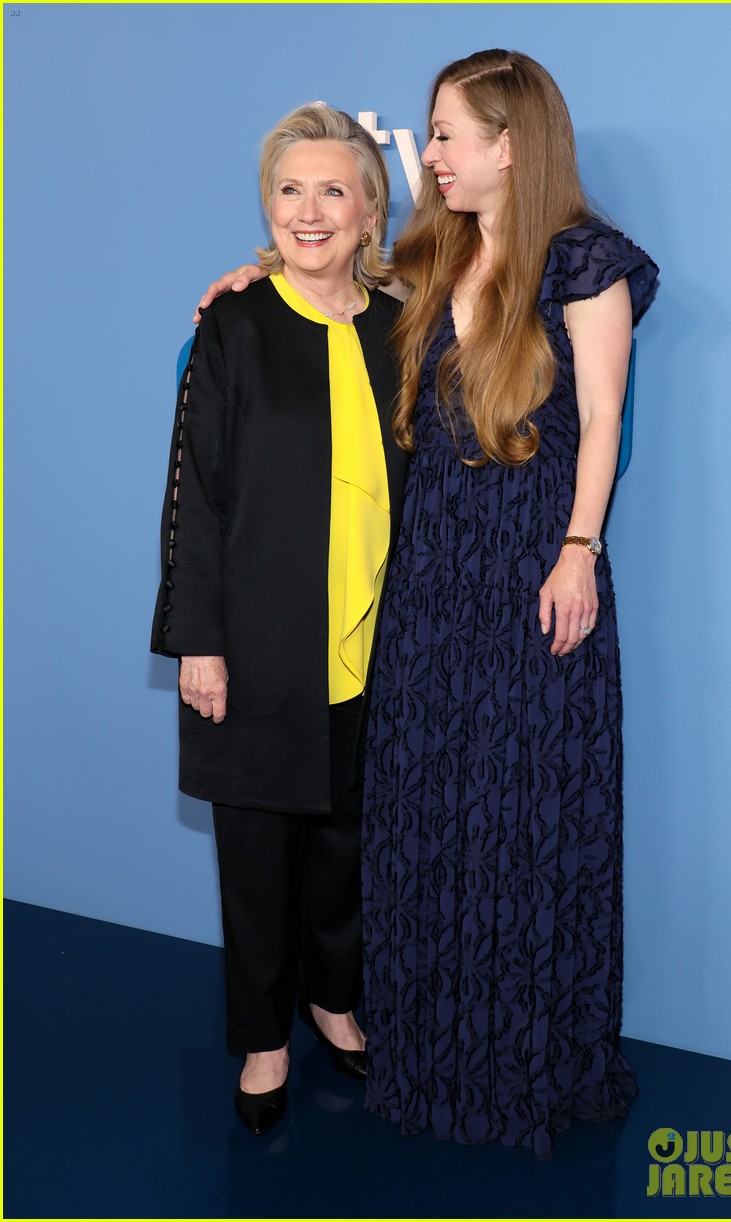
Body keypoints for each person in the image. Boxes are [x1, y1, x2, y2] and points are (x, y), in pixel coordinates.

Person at [199, 48, 658, 1160]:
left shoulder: (584, 262)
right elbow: (333, 288)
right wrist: (248, 275)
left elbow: (601, 422)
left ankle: (522, 1059)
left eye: (446, 134)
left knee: (520, 825)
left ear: (511, 143)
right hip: (428, 586)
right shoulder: (428, 255)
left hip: (533, 574)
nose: (431, 155)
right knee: (425, 822)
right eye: (429, 134)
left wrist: (577, 552)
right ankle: (424, 1041)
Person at [152, 103, 407, 1137]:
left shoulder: (401, 324)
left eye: (332, 190)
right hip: (257, 642)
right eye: (289, 191)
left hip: (377, 640)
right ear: (269, 206)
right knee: (256, 852)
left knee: (346, 844)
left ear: (366, 209)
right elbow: (192, 496)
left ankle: (330, 999)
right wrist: (199, 640)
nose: (309, 211)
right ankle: (263, 1036)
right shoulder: (233, 325)